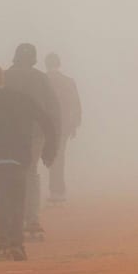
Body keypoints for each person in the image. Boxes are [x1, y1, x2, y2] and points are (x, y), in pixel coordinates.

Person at [0, 63, 58, 260]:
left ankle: (2, 241)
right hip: (18, 156)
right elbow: (47, 122)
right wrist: (49, 151)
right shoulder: (21, 98)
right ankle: (15, 244)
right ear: (2, 78)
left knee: (2, 192)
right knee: (16, 197)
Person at [3, 44, 60, 235]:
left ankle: (11, 219)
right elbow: (52, 109)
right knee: (31, 173)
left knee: (10, 175)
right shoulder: (40, 78)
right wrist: (53, 139)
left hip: (9, 134)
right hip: (35, 134)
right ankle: (32, 219)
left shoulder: (5, 76)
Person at [45, 53, 81, 204]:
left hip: (44, 125)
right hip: (63, 125)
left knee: (39, 159)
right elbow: (76, 104)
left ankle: (37, 194)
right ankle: (57, 192)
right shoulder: (68, 82)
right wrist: (74, 125)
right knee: (59, 157)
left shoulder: (42, 80)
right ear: (59, 64)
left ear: (46, 64)